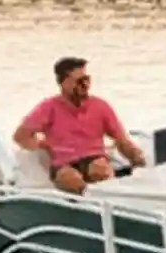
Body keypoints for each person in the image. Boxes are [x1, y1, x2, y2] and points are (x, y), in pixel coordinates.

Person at [12, 57, 146, 194]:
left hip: (95, 158)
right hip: (64, 163)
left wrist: (139, 160)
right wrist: (42, 145)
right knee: (70, 178)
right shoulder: (49, 107)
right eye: (79, 81)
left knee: (99, 169)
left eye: (87, 79)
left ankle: (108, 199)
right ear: (63, 82)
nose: (85, 85)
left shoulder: (100, 106)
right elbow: (20, 136)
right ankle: (85, 202)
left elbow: (121, 139)